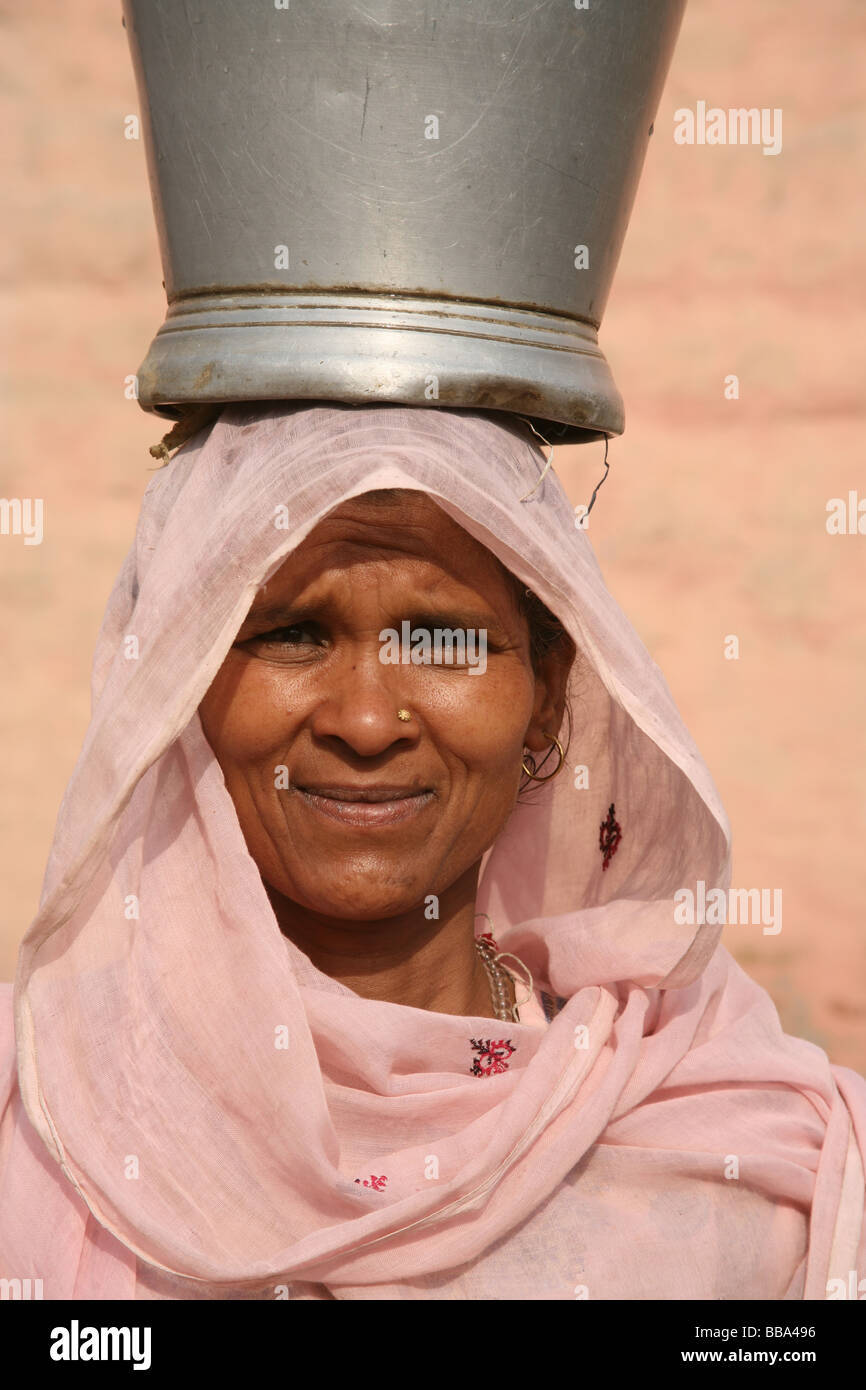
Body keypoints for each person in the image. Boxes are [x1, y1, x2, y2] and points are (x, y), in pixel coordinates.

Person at [1, 402, 863, 1300]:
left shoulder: (737, 1151)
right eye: (293, 634)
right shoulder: (43, 1118)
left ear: (545, 691)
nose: (368, 722)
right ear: (179, 681)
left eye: (441, 640)